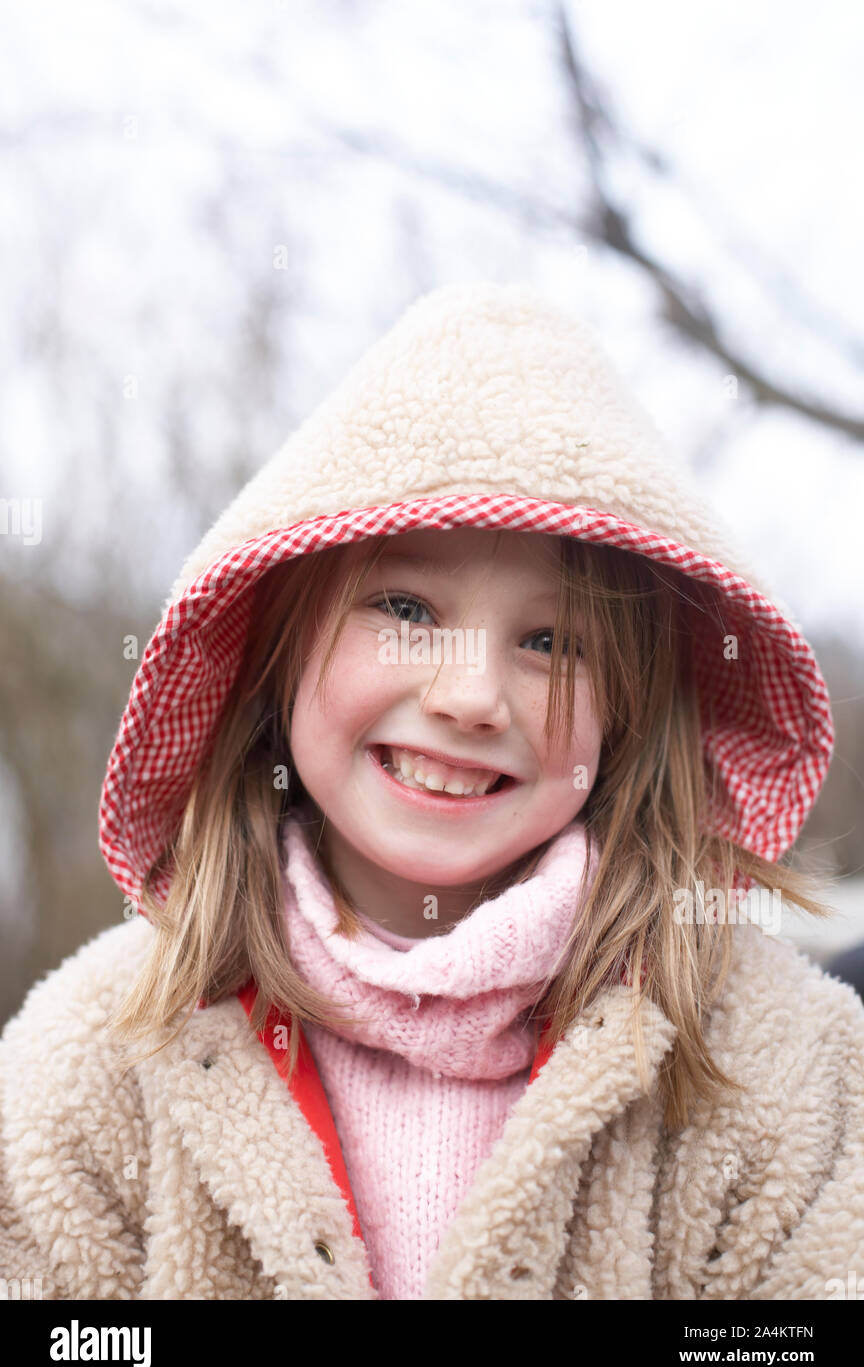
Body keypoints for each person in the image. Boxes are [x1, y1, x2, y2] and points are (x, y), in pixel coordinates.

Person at [1, 282, 862, 1302]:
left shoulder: (781, 1065)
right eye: (405, 606)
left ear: (630, 714)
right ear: (269, 650)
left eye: (552, 641)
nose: (469, 695)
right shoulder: (87, 1065)